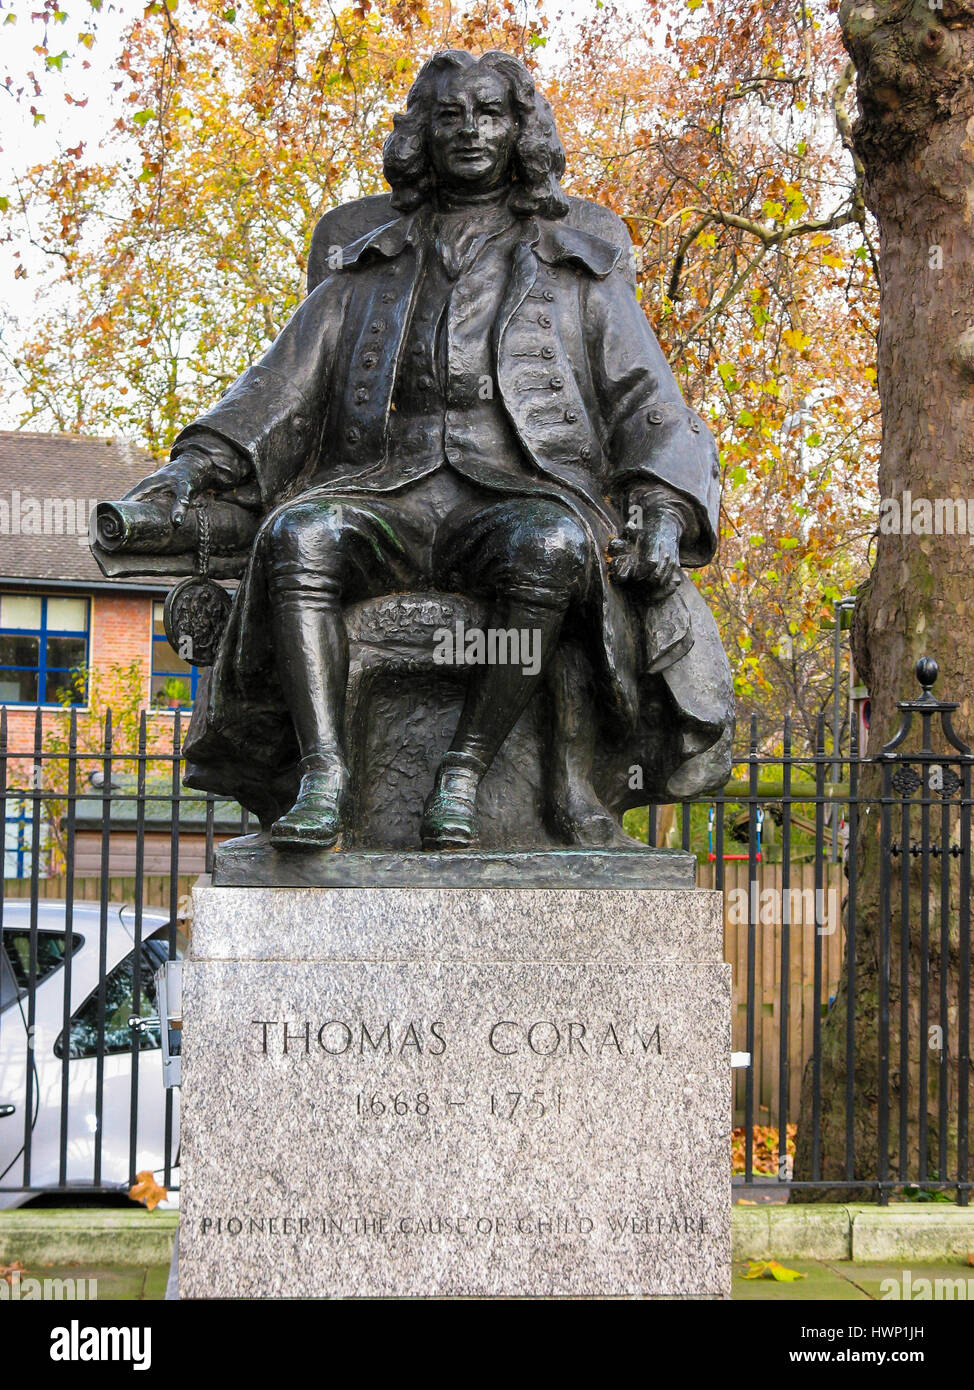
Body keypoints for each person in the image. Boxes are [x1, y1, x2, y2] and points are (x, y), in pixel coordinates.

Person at [123, 48, 733, 851]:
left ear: (521, 131)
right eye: (450, 116)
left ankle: (463, 773)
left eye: (490, 114)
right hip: (385, 490)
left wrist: (664, 504)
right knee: (297, 536)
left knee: (552, 548)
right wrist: (192, 468)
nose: (471, 131)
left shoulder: (576, 266)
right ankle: (324, 777)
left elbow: (647, 400)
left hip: (518, 495)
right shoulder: (364, 261)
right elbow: (276, 390)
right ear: (424, 132)